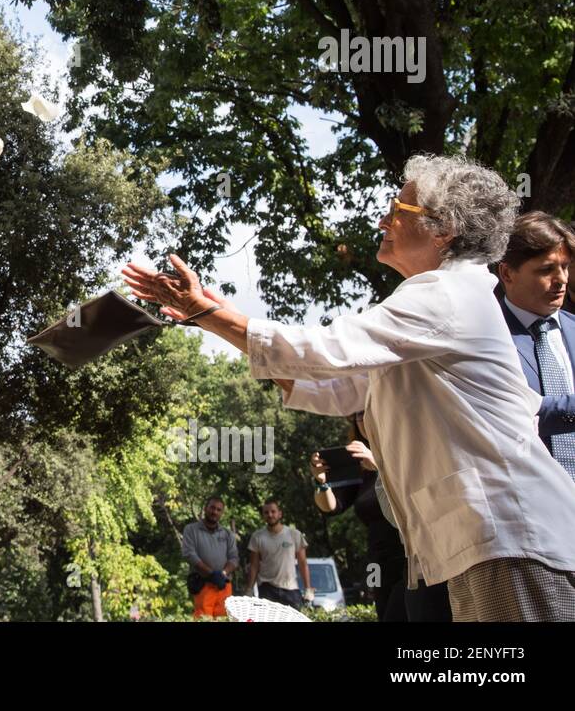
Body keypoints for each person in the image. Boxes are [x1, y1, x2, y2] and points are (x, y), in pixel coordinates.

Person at [124, 154, 575, 621]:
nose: (384, 219)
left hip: (513, 535)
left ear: (445, 230)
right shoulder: (444, 299)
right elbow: (339, 387)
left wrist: (208, 314)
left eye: (400, 210)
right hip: (490, 541)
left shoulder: (447, 293)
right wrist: (215, 320)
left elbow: (324, 351)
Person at [310, 413, 452, 621]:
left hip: (412, 555)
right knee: (385, 614)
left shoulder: (403, 449)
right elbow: (332, 507)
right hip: (377, 561)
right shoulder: (357, 465)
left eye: (368, 411)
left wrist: (378, 464)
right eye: (358, 415)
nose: (364, 418)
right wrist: (321, 482)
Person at [494, 211, 575, 481]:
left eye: (564, 266)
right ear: (507, 273)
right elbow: (511, 415)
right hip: (527, 502)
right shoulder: (485, 337)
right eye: (546, 269)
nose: (562, 279)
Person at [180, 496, 239, 618]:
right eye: (212, 508)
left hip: (224, 585)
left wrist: (223, 573)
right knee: (203, 618)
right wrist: (211, 573)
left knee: (224, 619)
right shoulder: (191, 529)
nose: (215, 512)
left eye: (219, 510)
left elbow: (234, 558)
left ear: (222, 513)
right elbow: (189, 554)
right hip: (203, 584)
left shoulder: (227, 534)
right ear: (205, 508)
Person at [246, 500, 311, 610]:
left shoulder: (294, 534)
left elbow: (303, 563)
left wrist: (308, 588)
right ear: (263, 515)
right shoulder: (257, 537)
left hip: (291, 588)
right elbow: (254, 565)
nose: (270, 515)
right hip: (267, 589)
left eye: (273, 511)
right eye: (266, 512)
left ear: (280, 513)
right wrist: (249, 589)